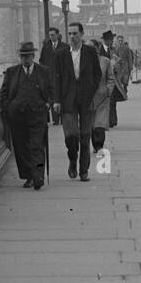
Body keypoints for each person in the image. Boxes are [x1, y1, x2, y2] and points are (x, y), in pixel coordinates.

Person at [50, 22, 101, 182]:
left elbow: (97, 74)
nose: (72, 37)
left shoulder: (90, 52)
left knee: (85, 136)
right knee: (71, 136)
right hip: (67, 99)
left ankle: (84, 171)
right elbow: (56, 78)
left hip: (86, 100)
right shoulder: (61, 54)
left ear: (82, 34)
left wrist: (92, 93)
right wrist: (56, 100)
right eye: (70, 34)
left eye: (75, 34)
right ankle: (73, 159)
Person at [1, 40, 52, 189]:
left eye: (28, 56)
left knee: (36, 146)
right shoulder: (11, 72)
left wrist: (49, 102)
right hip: (17, 116)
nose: (25, 59)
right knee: (21, 147)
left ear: (33, 56)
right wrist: (8, 107)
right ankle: (28, 176)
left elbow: (50, 89)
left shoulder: (43, 71)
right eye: (23, 56)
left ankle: (38, 176)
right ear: (20, 57)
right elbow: (4, 93)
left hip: (38, 115)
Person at [90, 39, 114, 155]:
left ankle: (99, 145)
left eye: (92, 47)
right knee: (91, 124)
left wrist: (108, 90)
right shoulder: (83, 62)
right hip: (88, 97)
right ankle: (94, 144)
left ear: (98, 48)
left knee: (100, 123)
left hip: (102, 96)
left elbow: (110, 78)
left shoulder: (105, 61)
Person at [38, 27, 65, 124]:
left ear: (57, 35)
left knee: (61, 95)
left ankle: (63, 117)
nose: (51, 37)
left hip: (61, 75)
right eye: (50, 35)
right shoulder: (46, 47)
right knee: (53, 96)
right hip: (50, 75)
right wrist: (44, 71)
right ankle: (55, 119)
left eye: (53, 35)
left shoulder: (64, 46)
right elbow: (41, 60)